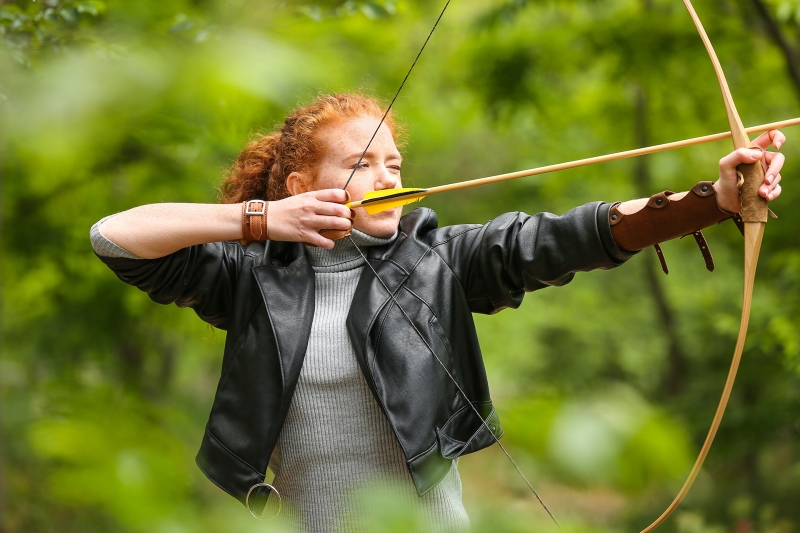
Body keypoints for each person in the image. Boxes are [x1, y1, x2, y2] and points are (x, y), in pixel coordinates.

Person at [90, 93, 785, 532]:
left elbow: (563, 235)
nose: (388, 176)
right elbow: (114, 236)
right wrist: (258, 219)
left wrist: (711, 202)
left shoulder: (439, 259)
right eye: (363, 163)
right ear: (302, 185)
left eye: (393, 163)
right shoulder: (249, 278)